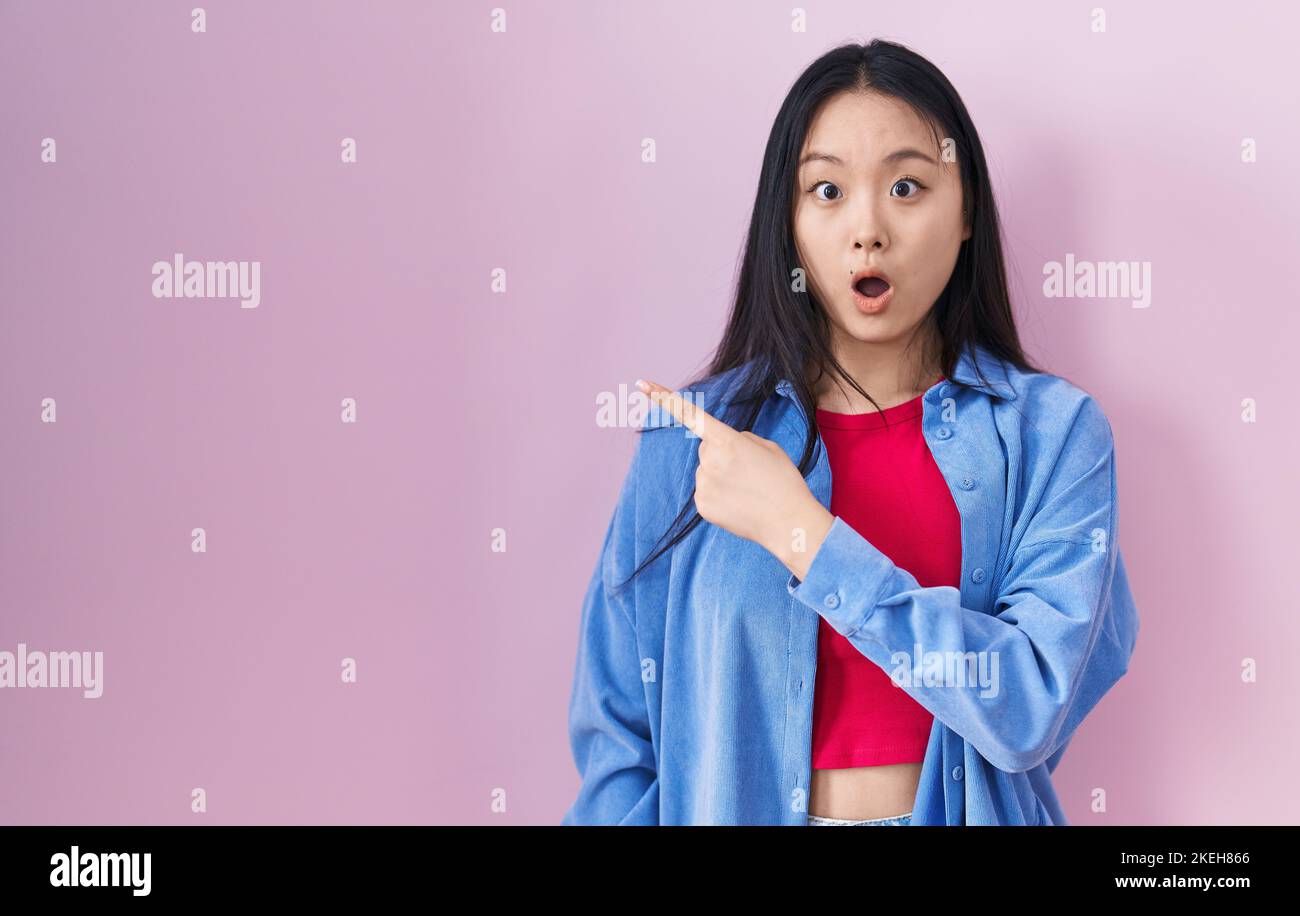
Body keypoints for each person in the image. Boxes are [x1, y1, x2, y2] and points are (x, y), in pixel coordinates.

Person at [562, 39, 1139, 826]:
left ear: (966, 210)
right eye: (827, 191)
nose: (867, 229)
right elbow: (619, 738)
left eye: (906, 186)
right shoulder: (696, 442)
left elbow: (1028, 703)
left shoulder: (1055, 437)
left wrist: (803, 533)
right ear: (788, 222)